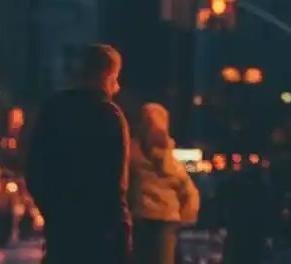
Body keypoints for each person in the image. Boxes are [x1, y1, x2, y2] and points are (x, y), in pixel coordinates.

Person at [26, 44, 132, 264]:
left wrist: (52, 212)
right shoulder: (109, 115)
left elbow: (34, 169)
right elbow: (115, 182)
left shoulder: (54, 109)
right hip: (100, 234)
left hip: (62, 231)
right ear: (109, 75)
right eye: (116, 78)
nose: (118, 86)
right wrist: (121, 229)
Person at [128, 103, 200, 264]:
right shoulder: (171, 160)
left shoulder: (131, 154)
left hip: (142, 218)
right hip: (164, 220)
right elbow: (188, 190)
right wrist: (186, 216)